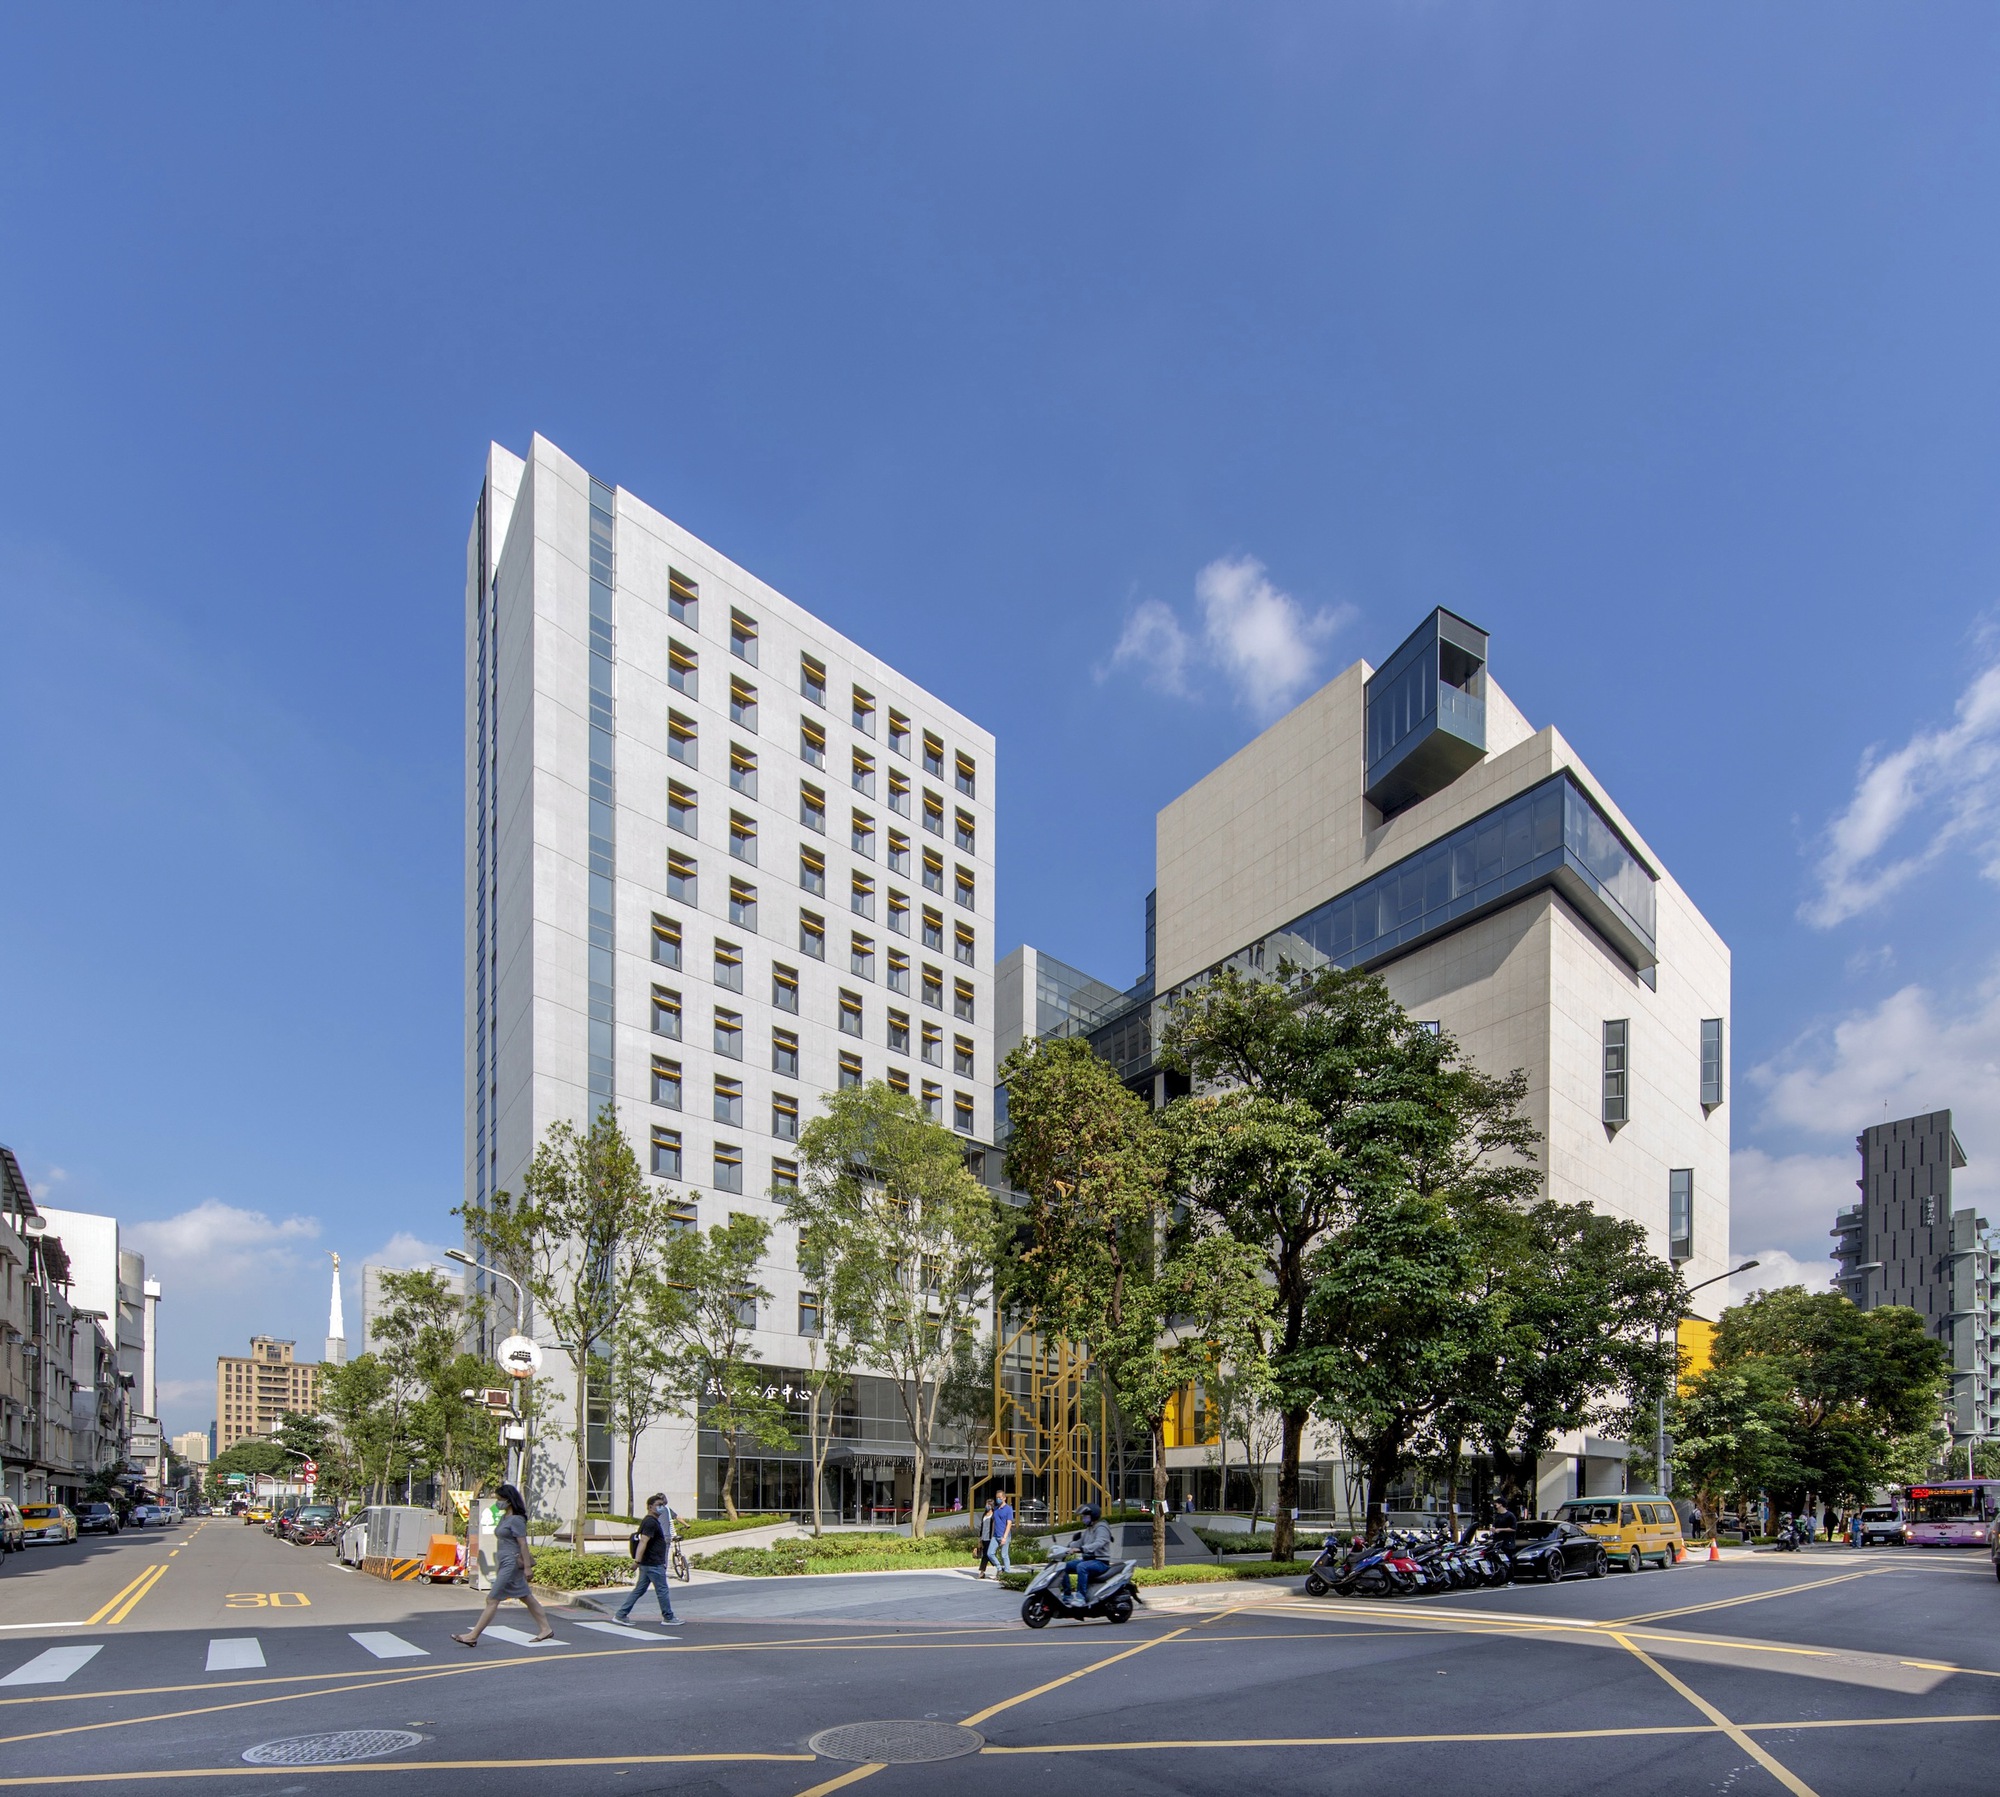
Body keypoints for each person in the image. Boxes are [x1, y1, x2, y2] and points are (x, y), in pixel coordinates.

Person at [454, 1483, 554, 1646]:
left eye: (500, 1499)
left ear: (508, 1500)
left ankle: (473, 1636)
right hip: (505, 1562)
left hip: (512, 1564)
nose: (497, 1502)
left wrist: (527, 1567)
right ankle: (546, 1629)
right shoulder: (504, 1518)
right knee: (526, 1597)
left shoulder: (516, 1520)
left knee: (492, 1599)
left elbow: (523, 1544)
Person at [615, 1492, 678, 1625]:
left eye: (663, 1505)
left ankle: (621, 1614)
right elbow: (643, 1541)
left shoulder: (651, 1521)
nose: (661, 1507)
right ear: (650, 1507)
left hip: (648, 1563)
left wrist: (639, 1561)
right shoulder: (650, 1522)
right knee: (662, 1590)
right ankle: (668, 1617)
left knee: (639, 1590)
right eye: (658, 1505)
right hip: (653, 1563)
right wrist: (637, 1561)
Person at [1060, 1503, 1113, 1607]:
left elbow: (1098, 1543)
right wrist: (1066, 1547)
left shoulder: (1102, 1528)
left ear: (1093, 1516)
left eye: (1086, 1516)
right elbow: (1080, 1542)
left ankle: (1080, 1597)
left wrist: (1081, 1549)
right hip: (1088, 1561)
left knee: (1082, 1567)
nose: (1084, 1519)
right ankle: (1067, 1596)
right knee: (1063, 1567)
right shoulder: (1089, 1529)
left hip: (1100, 1561)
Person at [991, 1491, 1015, 1575]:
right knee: (990, 1553)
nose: (998, 1499)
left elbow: (1009, 1524)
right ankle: (999, 1568)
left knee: (1004, 1555)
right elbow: (994, 1521)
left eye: (1000, 1498)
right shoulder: (996, 1509)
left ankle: (1007, 1573)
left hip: (1004, 1535)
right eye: (997, 1498)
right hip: (995, 1535)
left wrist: (1004, 1537)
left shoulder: (1008, 1509)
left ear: (1004, 1498)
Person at [975, 1496, 996, 1579]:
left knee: (987, 1554)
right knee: (987, 1555)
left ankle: (982, 1571)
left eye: (988, 1504)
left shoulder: (994, 1514)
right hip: (984, 1537)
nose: (986, 1506)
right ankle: (999, 1567)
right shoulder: (984, 1514)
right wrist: (980, 1537)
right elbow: (982, 1526)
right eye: (986, 1504)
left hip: (990, 1538)